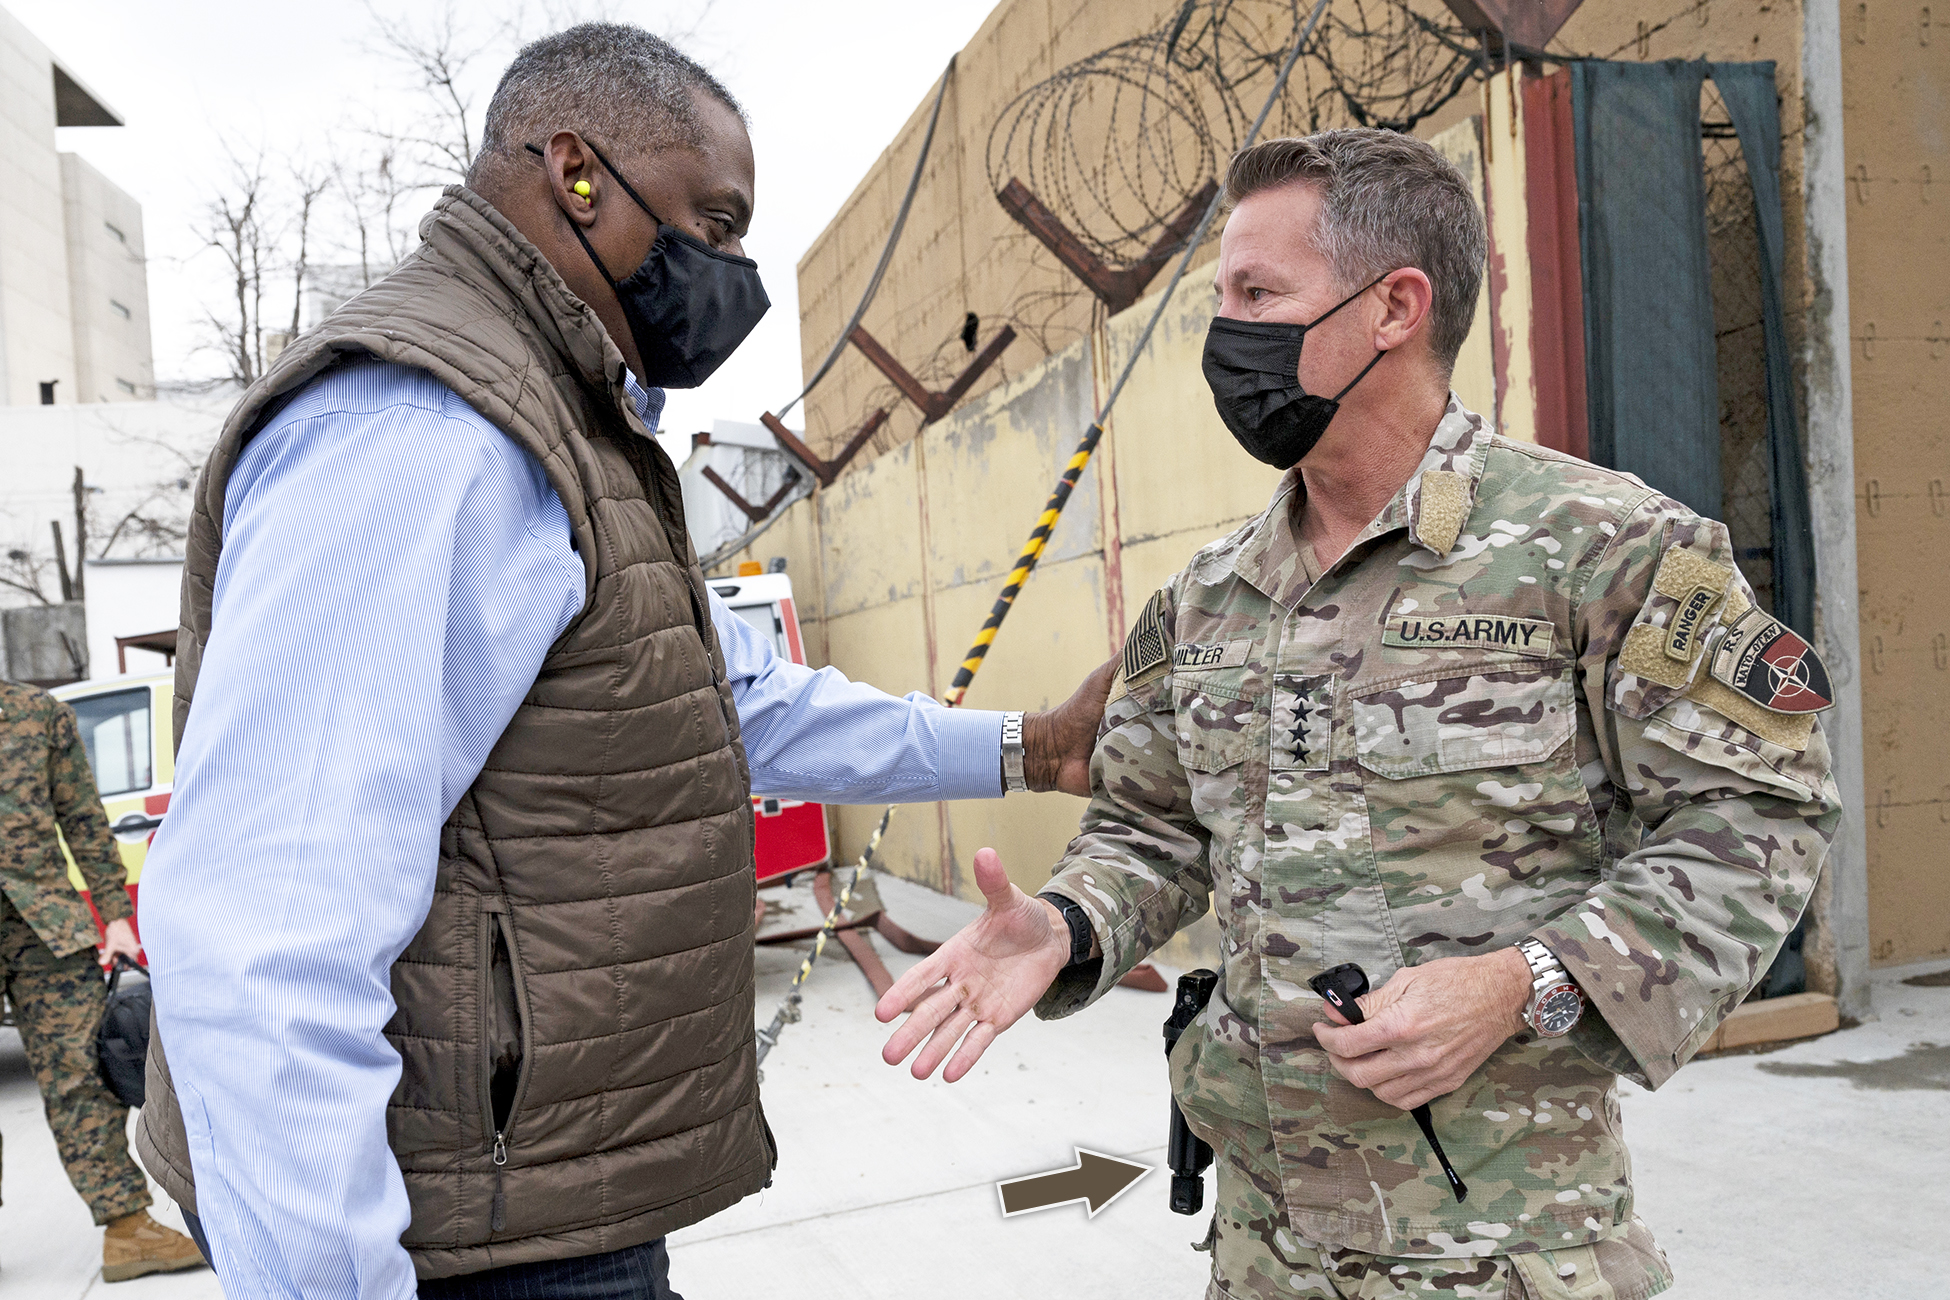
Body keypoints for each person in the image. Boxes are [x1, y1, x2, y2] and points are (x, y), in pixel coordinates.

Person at [131, 24, 1109, 1300]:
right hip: (459, 1238)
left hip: (530, 1202)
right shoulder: (429, 431)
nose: (735, 269)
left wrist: (1022, 747)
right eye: (715, 216)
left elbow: (733, 700)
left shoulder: (567, 419)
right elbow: (266, 934)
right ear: (576, 173)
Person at [877, 128, 1841, 1300]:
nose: (1222, 333)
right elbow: (1152, 829)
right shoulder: (1207, 599)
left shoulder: (1607, 550)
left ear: (1394, 306)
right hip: (1261, 1248)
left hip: (1498, 1252)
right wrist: (1071, 925)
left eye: (1256, 292)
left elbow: (1761, 817)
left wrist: (1526, 977)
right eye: (1219, 296)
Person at [0, 679, 204, 1281]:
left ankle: (126, 1227)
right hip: (46, 925)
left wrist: (115, 915)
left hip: (47, 929)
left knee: (81, 1075)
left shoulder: (37, 715)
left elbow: (84, 818)